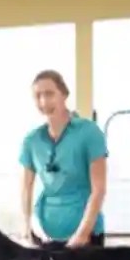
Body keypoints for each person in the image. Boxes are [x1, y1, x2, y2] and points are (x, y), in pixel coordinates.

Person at [19, 70, 108, 248]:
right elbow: (25, 188)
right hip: (46, 235)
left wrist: (82, 235)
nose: (43, 101)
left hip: (85, 236)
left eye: (49, 94)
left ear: (64, 94)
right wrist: (26, 226)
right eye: (38, 96)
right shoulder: (32, 140)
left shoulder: (89, 132)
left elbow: (99, 189)